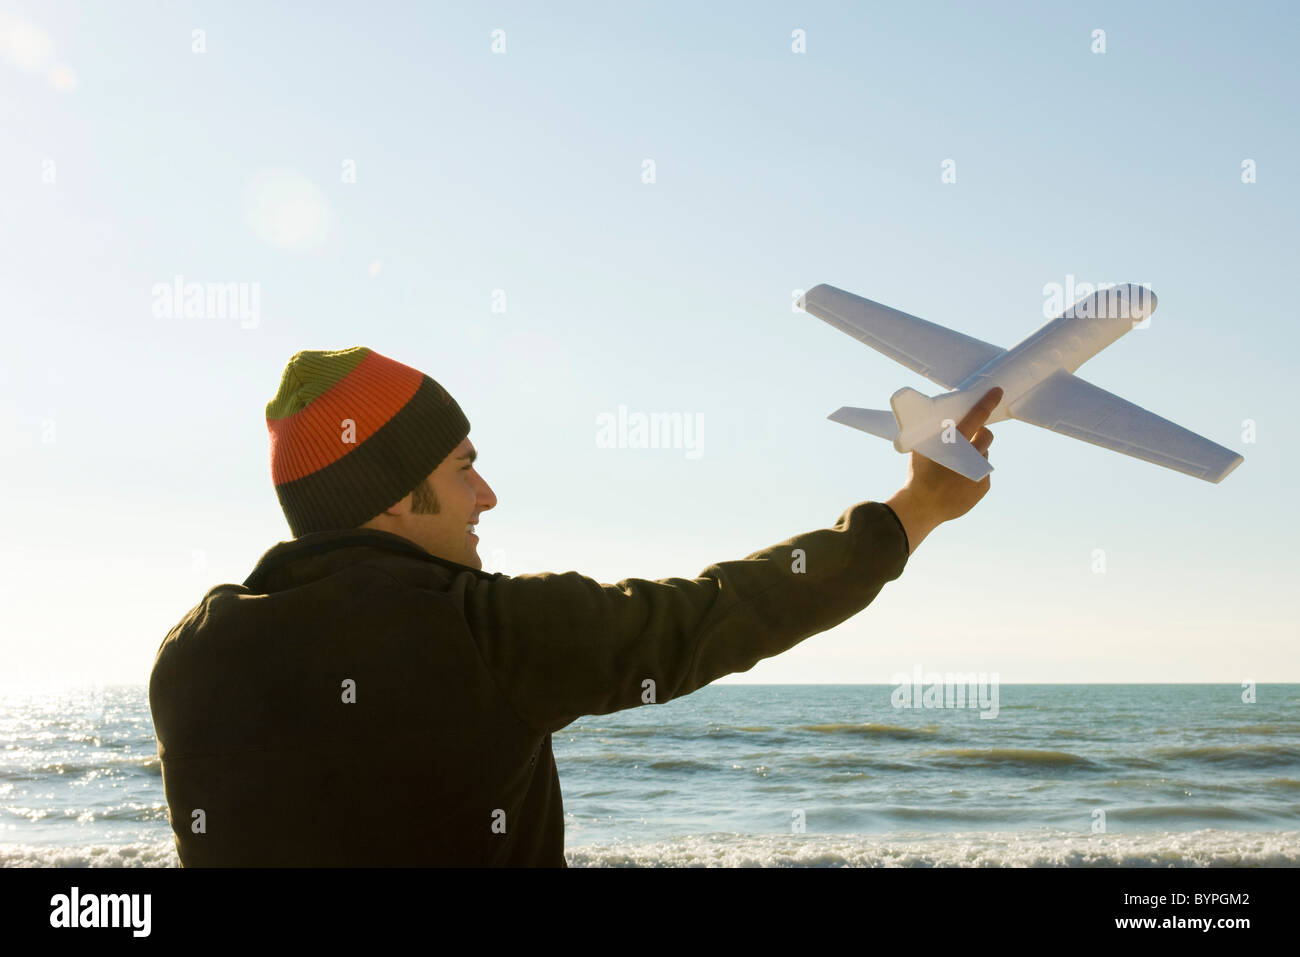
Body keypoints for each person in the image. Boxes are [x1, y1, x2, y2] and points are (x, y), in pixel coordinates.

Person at [148, 346, 1001, 866]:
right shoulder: (485, 629)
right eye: (461, 466)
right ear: (397, 497)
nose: (486, 494)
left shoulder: (190, 656)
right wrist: (916, 506)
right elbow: (721, 611)